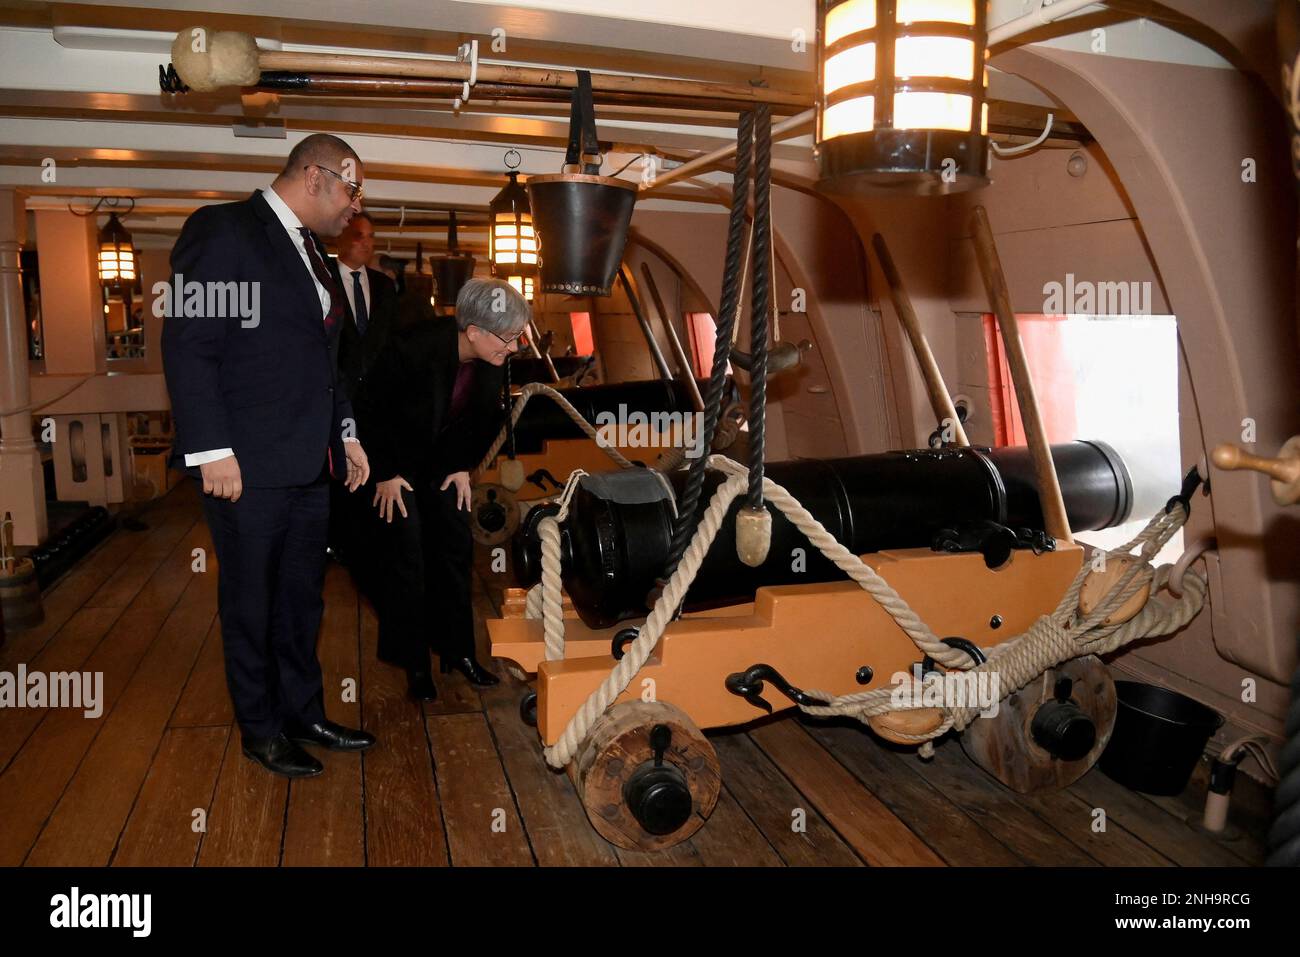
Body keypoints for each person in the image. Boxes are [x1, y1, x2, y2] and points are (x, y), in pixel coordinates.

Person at [161, 133, 376, 778]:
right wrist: (210, 451)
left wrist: (346, 431)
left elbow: (324, 360)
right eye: (352, 189)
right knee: (251, 601)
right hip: (244, 468)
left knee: (301, 599)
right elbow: (188, 343)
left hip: (310, 466)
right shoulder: (223, 230)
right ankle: (260, 728)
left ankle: (304, 712)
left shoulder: (312, 252)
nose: (355, 208)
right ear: (315, 176)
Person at [356, 278, 529, 700]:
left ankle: (458, 652)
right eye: (508, 338)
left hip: (440, 466)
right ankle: (415, 663)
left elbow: (479, 419)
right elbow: (368, 410)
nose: (514, 347)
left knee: (455, 549)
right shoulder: (411, 348)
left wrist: (460, 468)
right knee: (408, 554)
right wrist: (387, 471)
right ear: (473, 332)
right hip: (394, 466)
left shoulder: (492, 360)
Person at [327, 212, 397, 577]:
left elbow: (390, 342)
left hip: (379, 399)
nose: (365, 242)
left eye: (370, 236)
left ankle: (371, 540)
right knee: (340, 472)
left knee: (374, 467)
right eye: (357, 235)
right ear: (340, 237)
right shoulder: (322, 282)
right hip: (337, 397)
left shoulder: (384, 287)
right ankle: (338, 542)